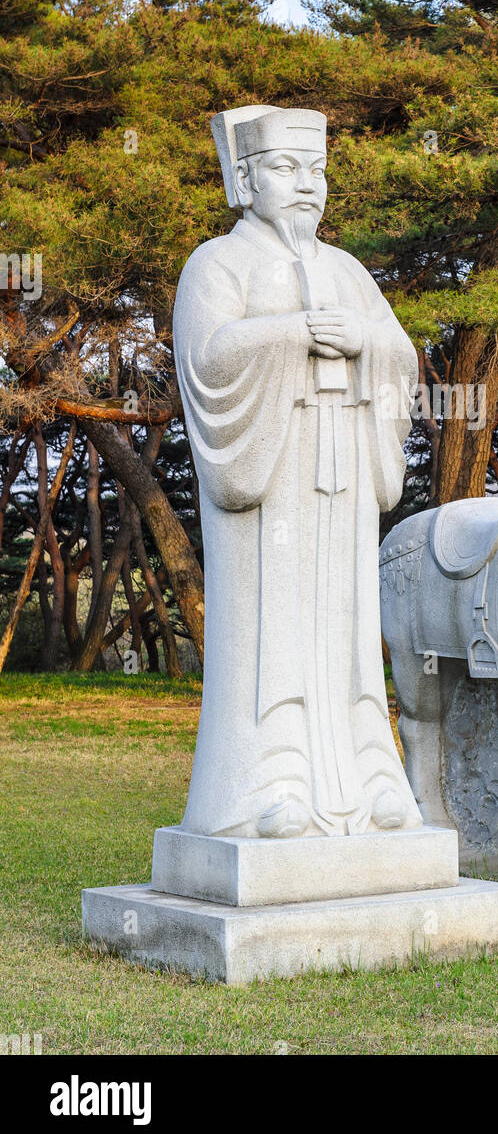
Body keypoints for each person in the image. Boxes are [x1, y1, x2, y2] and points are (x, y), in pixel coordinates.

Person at [172, 106, 422, 838]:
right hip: (270, 468)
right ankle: (264, 786)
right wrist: (295, 334)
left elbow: (400, 357)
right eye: (285, 168)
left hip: (343, 458)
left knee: (345, 621)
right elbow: (208, 360)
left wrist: (366, 343)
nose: (307, 186)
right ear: (245, 178)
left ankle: (370, 775)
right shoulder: (217, 263)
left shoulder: (346, 270)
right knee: (269, 622)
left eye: (317, 171)